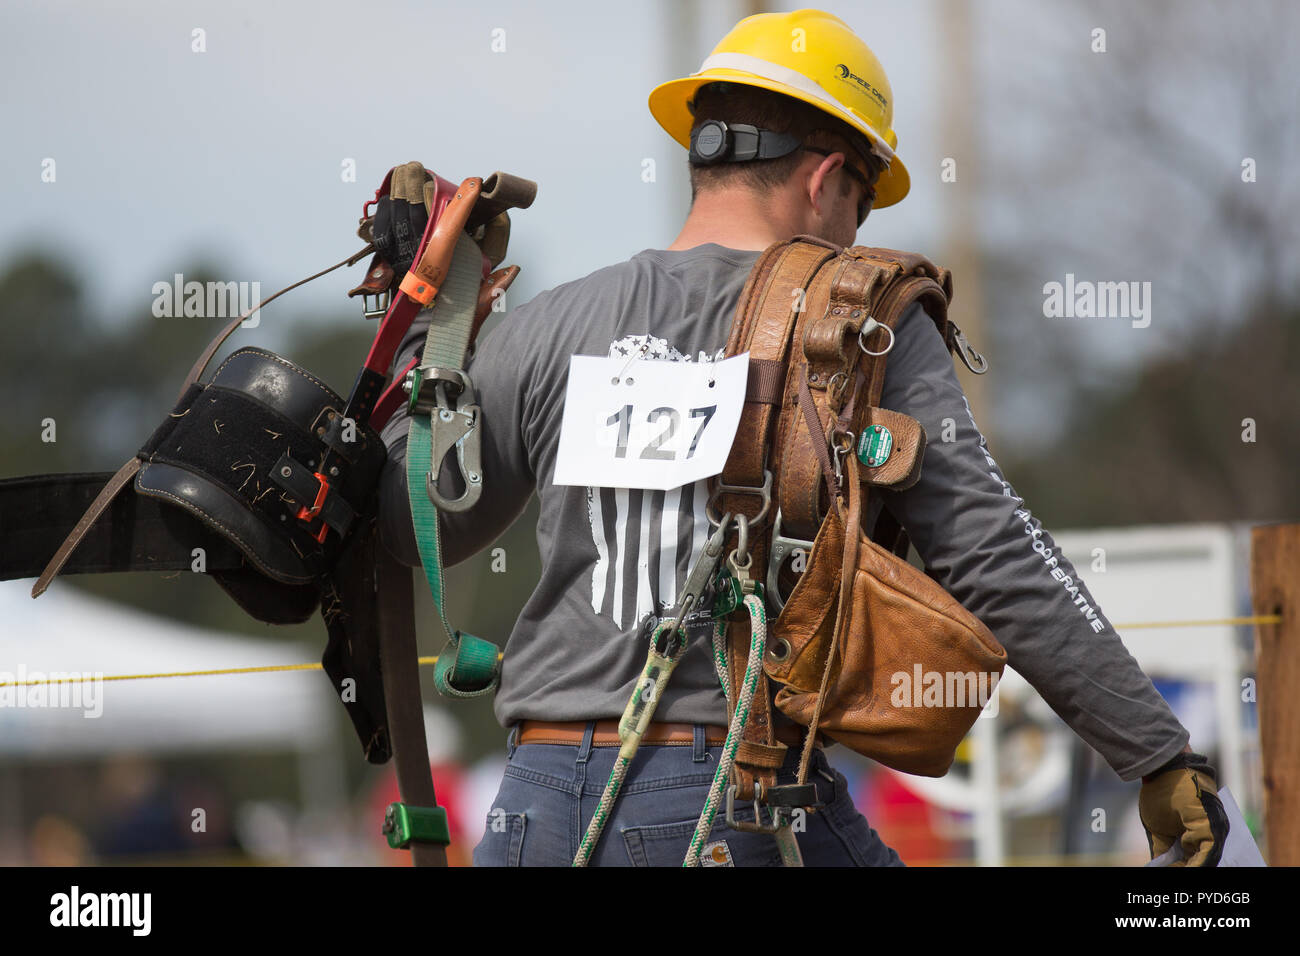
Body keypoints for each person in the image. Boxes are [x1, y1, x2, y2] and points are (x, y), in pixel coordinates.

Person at [376, 9, 1222, 867]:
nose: (856, 232)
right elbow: (994, 551)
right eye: (860, 198)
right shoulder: (858, 325)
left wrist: (425, 327)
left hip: (533, 810)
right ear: (824, 180)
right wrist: (1155, 753)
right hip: (728, 803)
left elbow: (416, 530)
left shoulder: (548, 326)